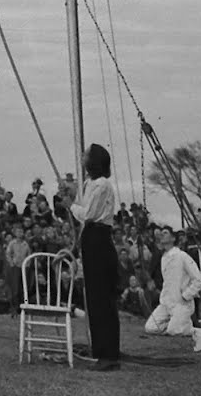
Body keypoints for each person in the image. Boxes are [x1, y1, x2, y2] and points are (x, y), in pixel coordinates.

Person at [69, 143, 121, 372]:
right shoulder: (90, 184)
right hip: (91, 237)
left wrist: (70, 206)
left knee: (101, 298)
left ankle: (109, 353)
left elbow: (88, 214)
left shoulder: (101, 185)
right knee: (94, 297)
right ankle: (101, 349)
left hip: (99, 237)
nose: (82, 156)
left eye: (86, 154)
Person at [144, 226, 201, 336]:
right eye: (161, 233)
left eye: (165, 233)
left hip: (181, 303)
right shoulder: (163, 258)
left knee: (174, 331)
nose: (162, 235)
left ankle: (189, 328)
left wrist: (186, 295)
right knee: (150, 328)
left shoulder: (182, 256)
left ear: (173, 238)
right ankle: (176, 324)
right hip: (166, 302)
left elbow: (198, 280)